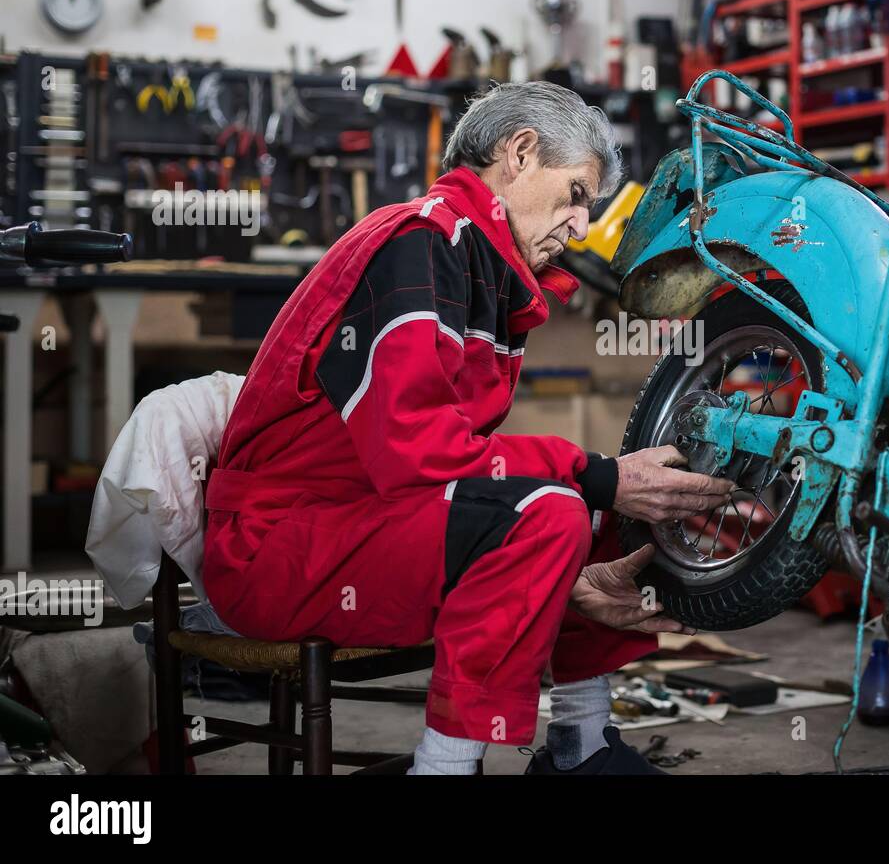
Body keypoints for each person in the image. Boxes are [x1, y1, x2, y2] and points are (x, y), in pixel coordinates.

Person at [202, 82, 733, 774]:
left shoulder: (480, 265)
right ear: (518, 153)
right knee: (552, 511)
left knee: (607, 508)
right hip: (277, 547)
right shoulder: (423, 241)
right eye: (576, 193)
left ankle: (581, 745)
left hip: (363, 523)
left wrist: (593, 499)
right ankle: (444, 767)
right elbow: (417, 450)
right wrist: (587, 478)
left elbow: (456, 468)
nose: (580, 225)